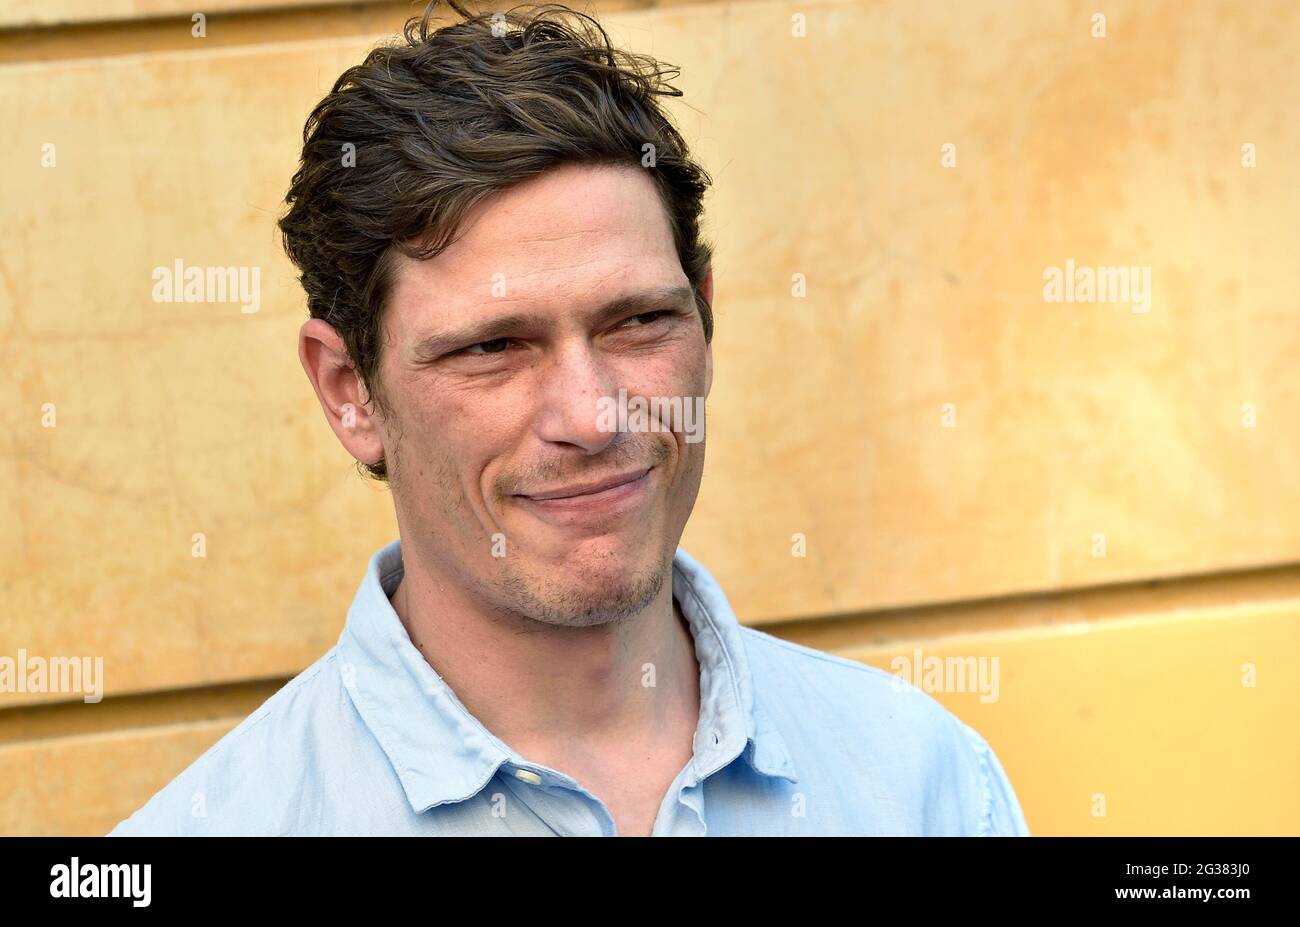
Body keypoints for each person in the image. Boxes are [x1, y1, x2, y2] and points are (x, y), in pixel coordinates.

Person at [109, 0, 1029, 836]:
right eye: (493, 347)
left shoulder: (925, 783)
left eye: (638, 320)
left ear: (705, 316)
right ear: (350, 391)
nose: (593, 415)